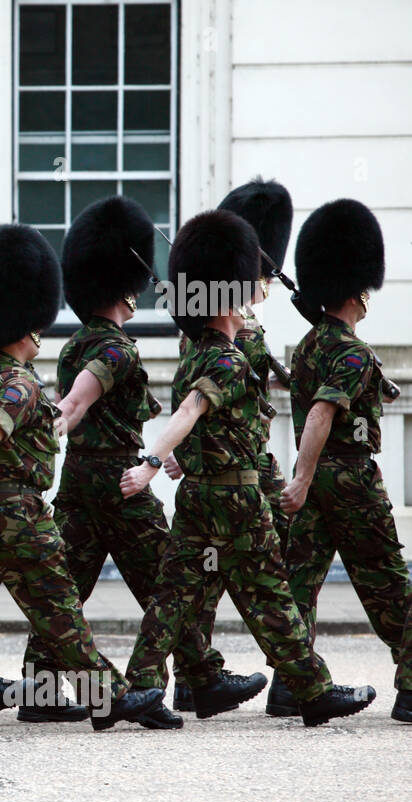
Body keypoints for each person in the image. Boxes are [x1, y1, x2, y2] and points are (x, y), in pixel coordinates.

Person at [0, 223, 162, 730]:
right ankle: (106, 696)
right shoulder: (18, 380)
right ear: (28, 328)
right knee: (58, 606)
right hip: (16, 512)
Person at [120, 208, 374, 727]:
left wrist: (171, 459)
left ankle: (141, 687)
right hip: (237, 498)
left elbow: (190, 416)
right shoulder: (230, 359)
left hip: (199, 498)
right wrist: (150, 462)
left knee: (172, 597)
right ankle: (313, 690)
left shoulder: (195, 353)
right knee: (272, 596)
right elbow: (190, 412)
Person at [50, 196, 226, 729]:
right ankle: (195, 677)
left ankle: (38, 687)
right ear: (126, 289)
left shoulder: (70, 344)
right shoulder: (118, 349)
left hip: (78, 476)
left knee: (62, 586)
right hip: (120, 479)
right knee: (165, 580)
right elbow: (79, 400)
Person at [281, 197, 411, 723]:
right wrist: (303, 476)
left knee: (299, 583)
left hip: (318, 483)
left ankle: (292, 685)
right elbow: (320, 414)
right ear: (361, 289)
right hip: (350, 478)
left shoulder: (310, 345)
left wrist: (305, 481)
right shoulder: (351, 351)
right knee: (387, 582)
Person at [170, 178, 295, 714]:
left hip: (239, 457)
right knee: (269, 563)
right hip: (238, 463)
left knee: (203, 572)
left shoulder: (232, 307)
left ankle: (196, 677)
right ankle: (294, 681)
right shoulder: (235, 321)